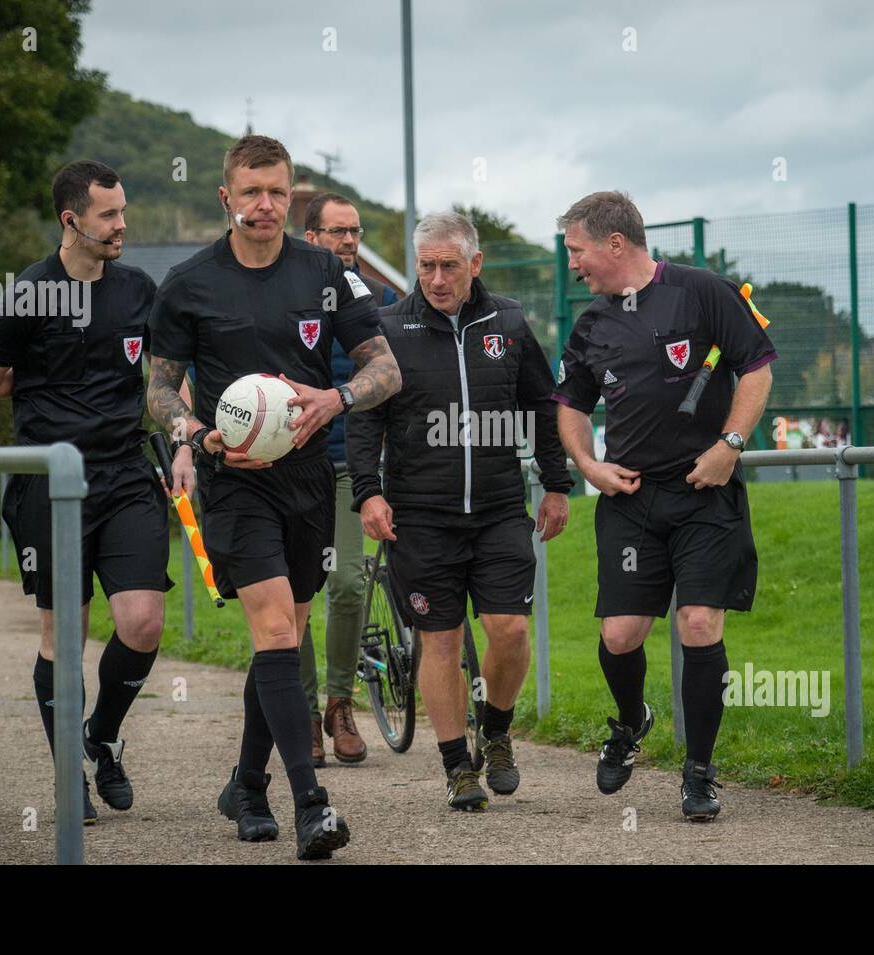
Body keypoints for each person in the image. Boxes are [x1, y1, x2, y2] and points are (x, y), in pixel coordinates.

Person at [145, 135, 400, 860]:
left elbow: (384, 370)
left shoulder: (326, 272)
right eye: (251, 191)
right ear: (226, 197)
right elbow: (159, 386)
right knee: (277, 632)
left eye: (278, 191)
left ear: (292, 196)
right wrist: (193, 430)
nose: (265, 204)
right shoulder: (190, 284)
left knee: (283, 630)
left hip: (310, 480)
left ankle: (247, 783)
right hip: (236, 483)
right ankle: (311, 806)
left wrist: (338, 396)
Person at [0, 159, 186, 825]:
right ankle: (70, 776)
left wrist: (182, 439)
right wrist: (39, 385)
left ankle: (102, 736)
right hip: (51, 483)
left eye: (122, 210)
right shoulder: (28, 293)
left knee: (143, 622)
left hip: (124, 474)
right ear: (72, 220)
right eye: (109, 215)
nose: (123, 224)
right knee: (67, 630)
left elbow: (164, 378)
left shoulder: (138, 288)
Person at [552, 191, 775, 822]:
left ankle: (700, 774)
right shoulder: (591, 323)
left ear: (614, 243)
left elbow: (756, 366)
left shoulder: (704, 292)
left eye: (577, 250)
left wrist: (730, 444)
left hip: (705, 494)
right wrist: (588, 466)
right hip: (631, 499)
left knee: (699, 624)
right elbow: (568, 403)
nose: (574, 264)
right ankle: (631, 720)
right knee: (621, 636)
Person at [347, 211, 572, 811]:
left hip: (499, 509)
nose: (437, 277)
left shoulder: (511, 323)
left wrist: (556, 484)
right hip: (421, 515)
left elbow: (543, 408)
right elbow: (365, 418)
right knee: (439, 641)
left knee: (510, 630)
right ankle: (455, 766)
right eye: (426, 265)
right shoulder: (387, 327)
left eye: (449, 265)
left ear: (476, 264)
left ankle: (495, 733)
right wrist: (367, 491)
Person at [299, 192, 400, 766]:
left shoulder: (382, 299)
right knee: (293, 595)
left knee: (345, 586)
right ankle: (304, 715)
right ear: (310, 237)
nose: (349, 241)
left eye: (356, 231)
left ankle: (340, 703)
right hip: (285, 465)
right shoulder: (285, 293)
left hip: (348, 469)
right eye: (337, 231)